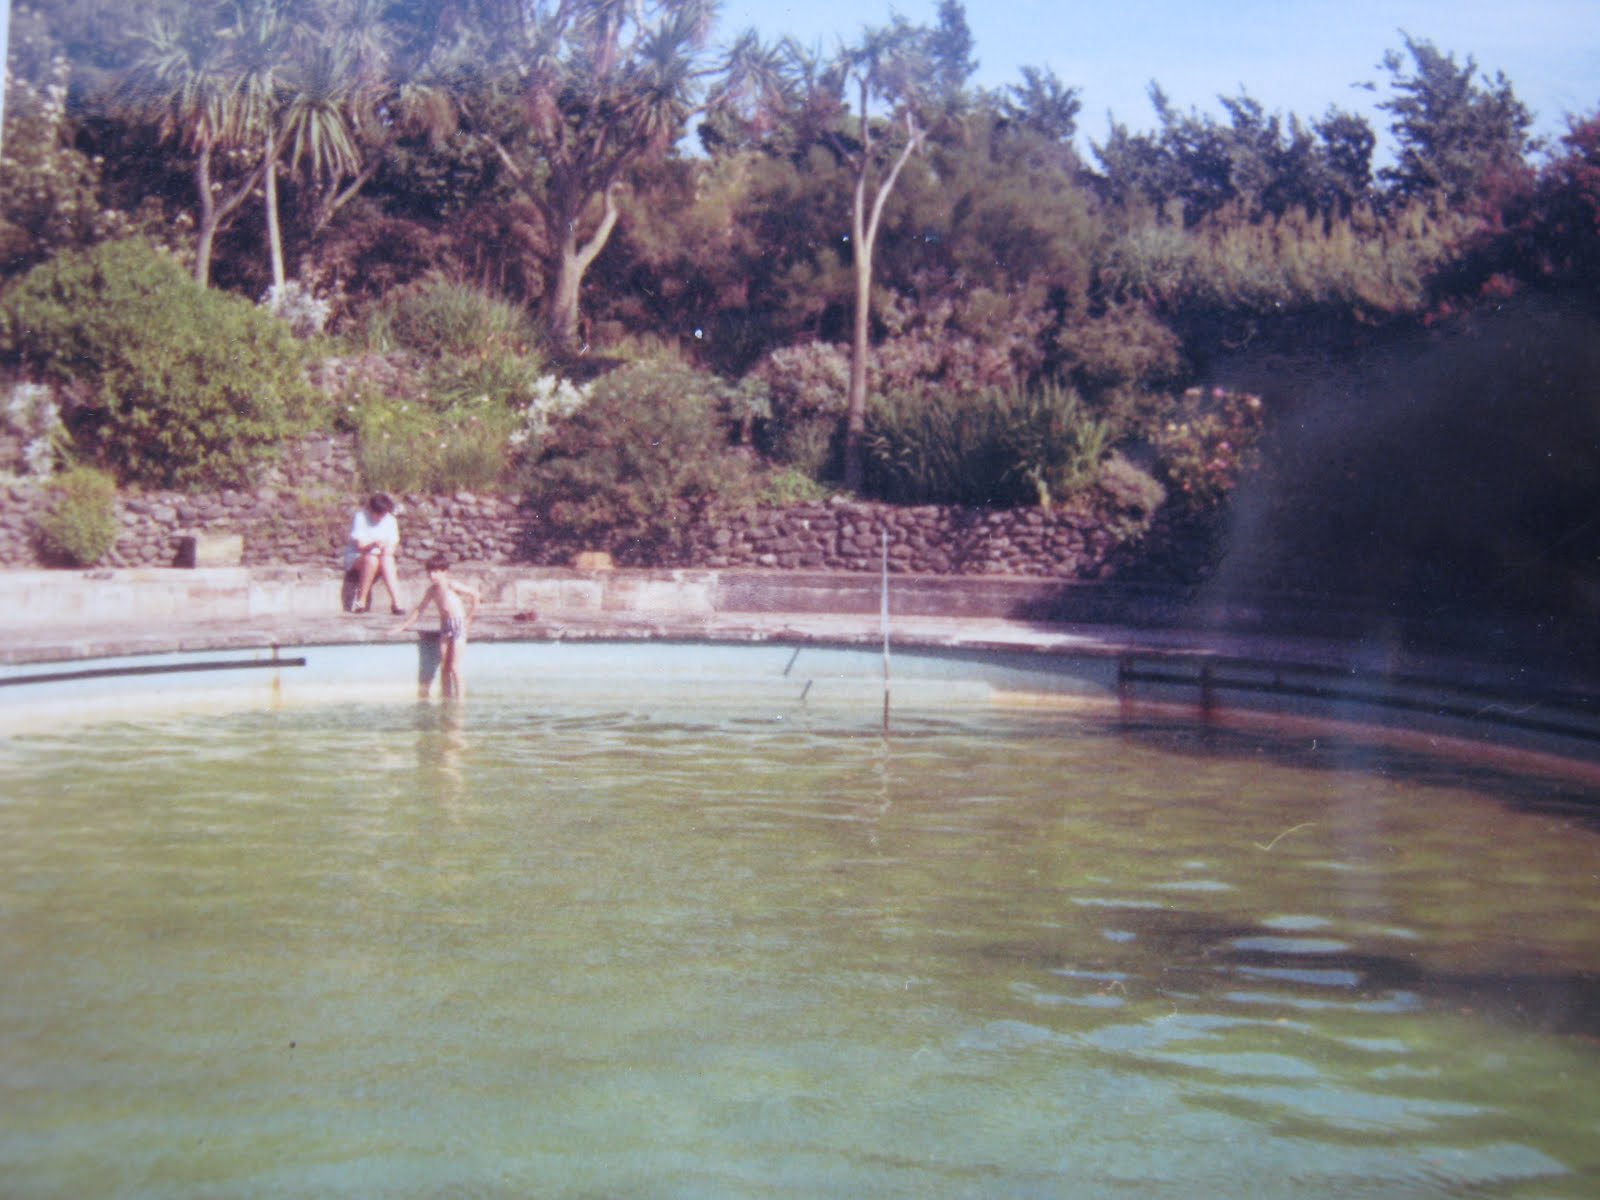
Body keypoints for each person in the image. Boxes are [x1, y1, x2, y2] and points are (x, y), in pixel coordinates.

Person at [392, 554, 481, 698]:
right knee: (445, 667)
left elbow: (475, 595)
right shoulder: (432, 591)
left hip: (458, 624)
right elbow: (419, 610)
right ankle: (446, 698)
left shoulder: (452, 585)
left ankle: (460, 700)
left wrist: (470, 617)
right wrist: (402, 626)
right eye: (430, 572)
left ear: (444, 572)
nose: (432, 575)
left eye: (436, 572)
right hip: (445, 626)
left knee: (455, 667)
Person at [345, 493, 403, 614]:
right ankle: (361, 601)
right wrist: (374, 545)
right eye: (379, 514)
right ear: (371, 510)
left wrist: (385, 549)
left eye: (384, 514)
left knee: (387, 560)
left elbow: (391, 547)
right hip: (359, 556)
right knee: (371, 559)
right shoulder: (360, 518)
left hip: (380, 557)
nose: (382, 517)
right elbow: (360, 546)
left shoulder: (391, 520)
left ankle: (397, 602)